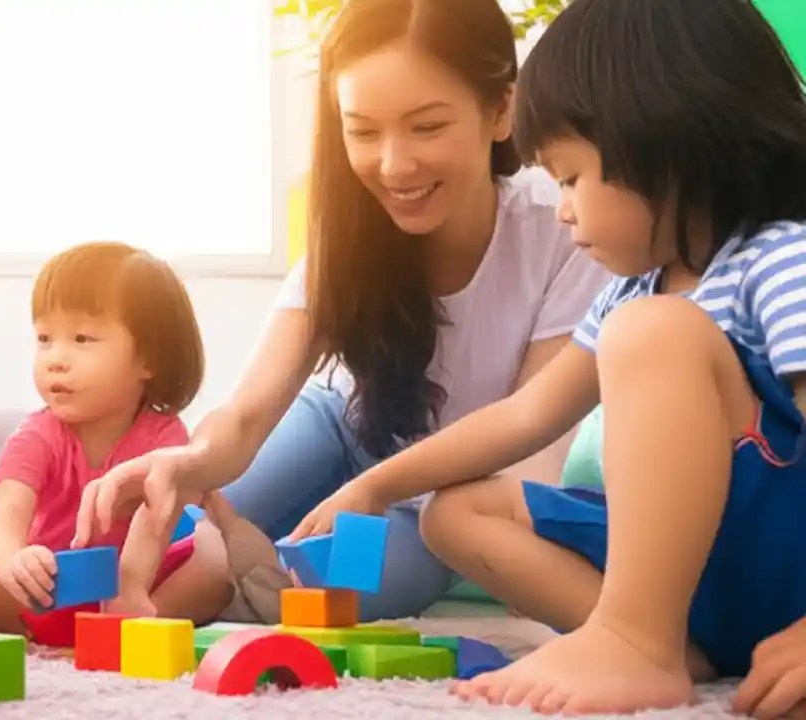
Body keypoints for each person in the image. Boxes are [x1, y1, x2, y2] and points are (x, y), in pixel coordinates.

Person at [295, 0, 805, 715]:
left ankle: (634, 640)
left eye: (571, 178)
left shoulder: (779, 260)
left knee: (652, 330)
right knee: (453, 514)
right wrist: (375, 486)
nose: (562, 209)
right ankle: (660, 642)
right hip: (697, 578)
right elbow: (524, 416)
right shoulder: (631, 289)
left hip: (782, 564)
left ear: (663, 148)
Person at [71, 0, 608, 621]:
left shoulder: (563, 225)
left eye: (427, 127)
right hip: (344, 423)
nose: (394, 165)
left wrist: (389, 493)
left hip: (448, 488)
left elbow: (531, 438)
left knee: (333, 595)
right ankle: (214, 567)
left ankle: (249, 574)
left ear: (500, 111)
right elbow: (245, 417)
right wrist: (184, 462)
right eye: (363, 131)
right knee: (184, 529)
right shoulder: (347, 242)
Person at [0, 242, 231, 630]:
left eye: (82, 339)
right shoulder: (36, 435)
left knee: (212, 558)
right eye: (45, 339)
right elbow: (6, 512)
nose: (56, 359)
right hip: (47, 580)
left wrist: (132, 585)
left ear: (148, 359)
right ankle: (69, 622)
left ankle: (139, 619)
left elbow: (159, 521)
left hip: (131, 581)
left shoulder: (164, 437)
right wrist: (14, 561)